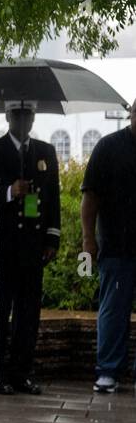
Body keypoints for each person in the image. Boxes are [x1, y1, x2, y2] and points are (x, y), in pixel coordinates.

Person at [0, 100, 60, 395]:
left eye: (28, 114)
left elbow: (52, 197)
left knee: (29, 314)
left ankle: (21, 373)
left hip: (32, 247)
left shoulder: (44, 152)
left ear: (34, 116)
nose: (24, 119)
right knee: (1, 313)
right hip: (3, 246)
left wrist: (52, 238)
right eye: (18, 114)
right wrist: (8, 191)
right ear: (7, 116)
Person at [81, 101, 136, 393]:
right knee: (113, 310)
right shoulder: (108, 147)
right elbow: (89, 199)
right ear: (132, 115)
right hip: (116, 246)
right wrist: (88, 240)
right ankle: (108, 370)